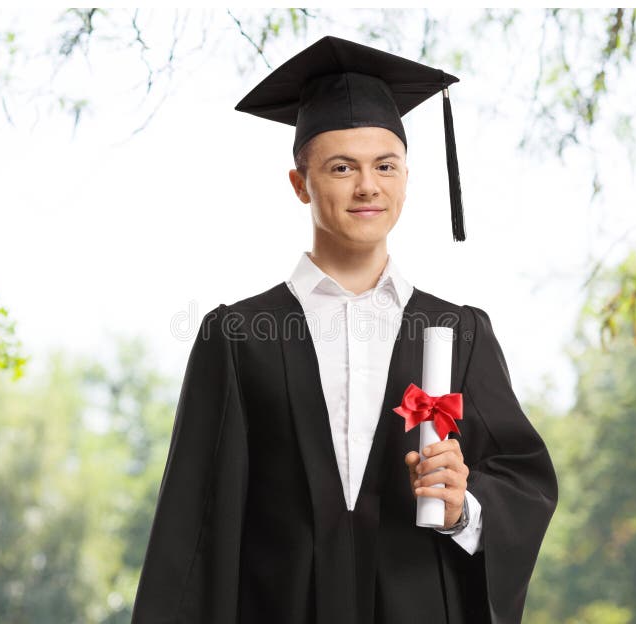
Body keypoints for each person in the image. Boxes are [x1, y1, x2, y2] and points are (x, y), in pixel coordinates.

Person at [131, 35, 558, 624]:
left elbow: (522, 483)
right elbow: (194, 524)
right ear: (300, 184)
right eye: (341, 168)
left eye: (386, 166)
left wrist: (463, 507)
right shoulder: (237, 338)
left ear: (406, 178)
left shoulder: (459, 333)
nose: (367, 186)